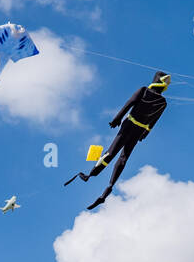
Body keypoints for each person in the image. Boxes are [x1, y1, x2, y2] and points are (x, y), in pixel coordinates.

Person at [66, 71, 171, 209]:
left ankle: (90, 175)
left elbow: (130, 103)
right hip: (139, 130)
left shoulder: (144, 90)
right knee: (123, 158)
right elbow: (153, 121)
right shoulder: (163, 102)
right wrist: (145, 134)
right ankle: (108, 189)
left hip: (129, 125)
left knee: (111, 152)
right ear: (163, 83)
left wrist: (117, 118)